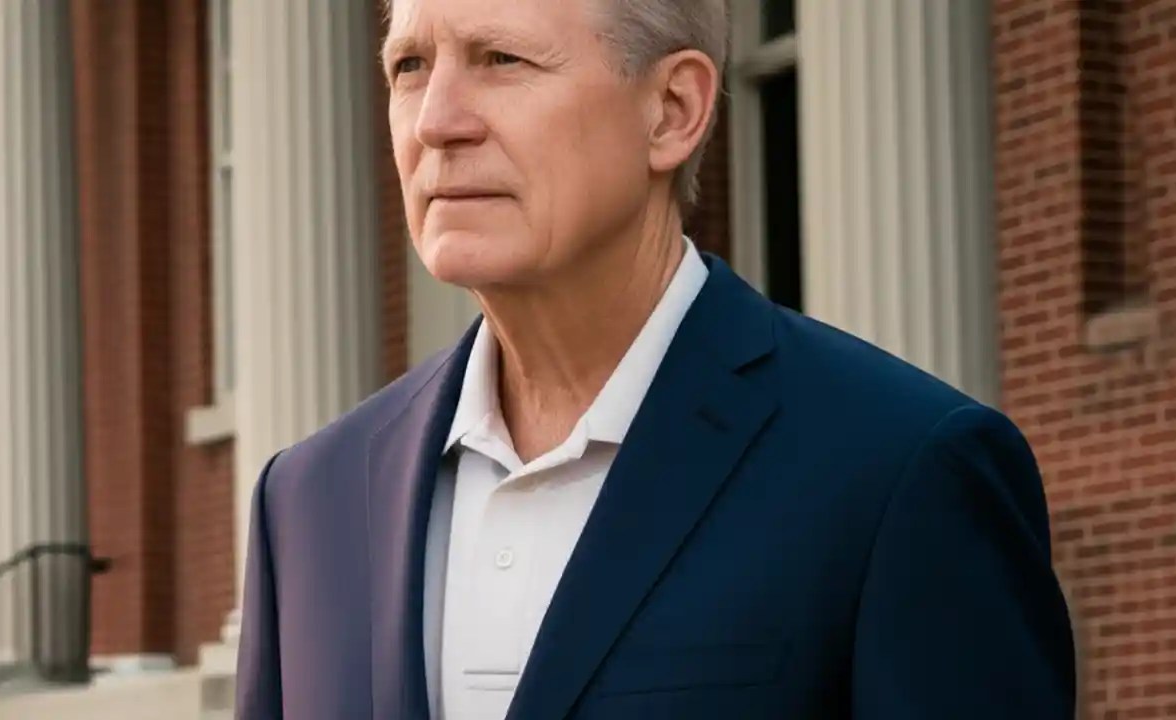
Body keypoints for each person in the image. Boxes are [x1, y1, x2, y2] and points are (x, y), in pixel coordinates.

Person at [235, 0, 1077, 717]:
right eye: (410, 66)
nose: (436, 122)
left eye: (501, 58)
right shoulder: (307, 501)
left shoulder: (899, 472)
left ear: (673, 110)